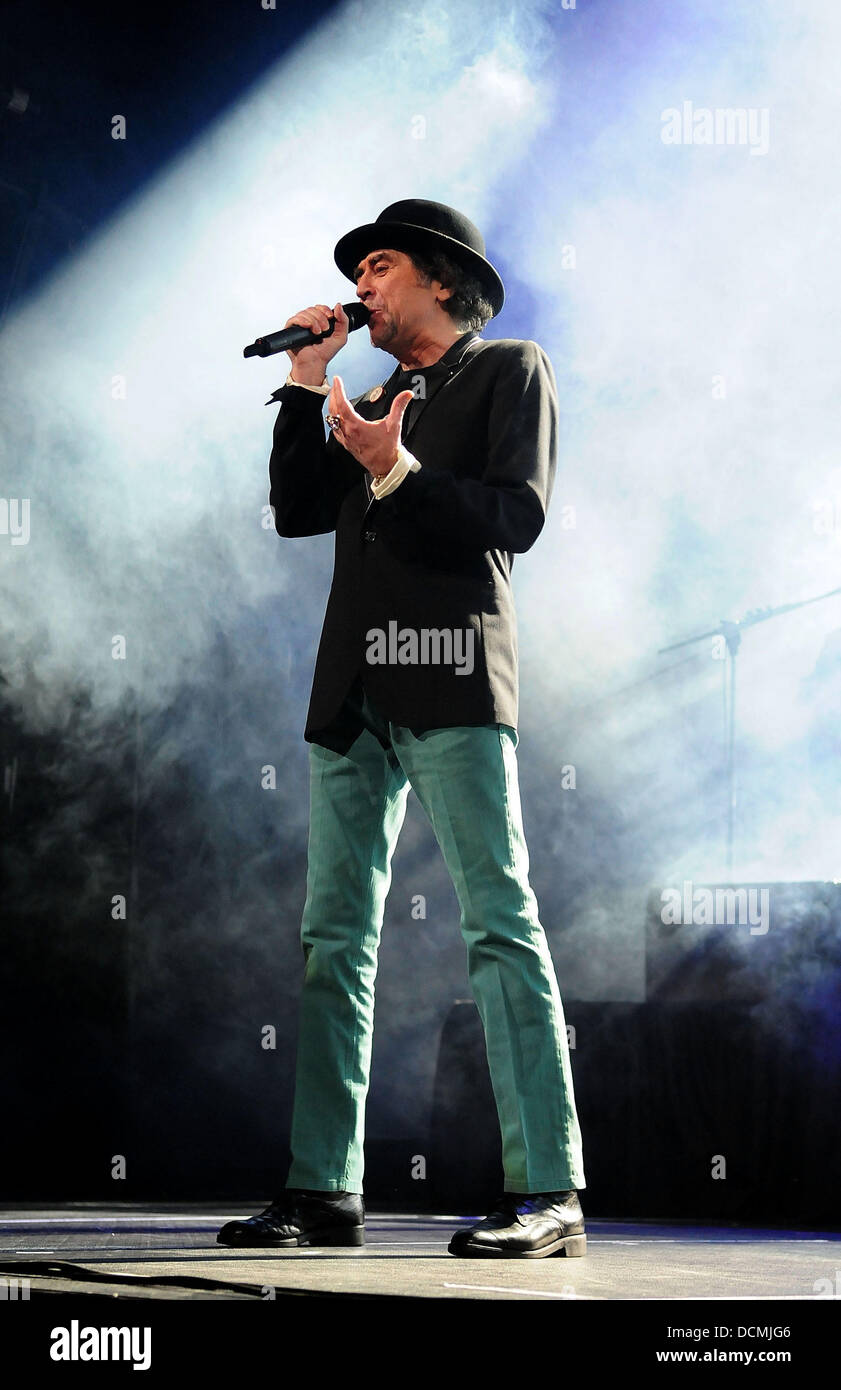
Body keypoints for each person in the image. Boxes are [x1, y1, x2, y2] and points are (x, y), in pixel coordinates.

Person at [217, 199, 586, 1258]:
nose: (360, 287)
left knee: (496, 921)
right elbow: (293, 509)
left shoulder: (510, 367)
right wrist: (301, 387)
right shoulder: (377, 391)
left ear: (440, 281)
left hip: (455, 677)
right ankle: (324, 1187)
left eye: (379, 268)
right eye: (358, 273)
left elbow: (515, 516)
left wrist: (398, 468)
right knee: (334, 939)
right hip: (354, 694)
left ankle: (548, 1186)